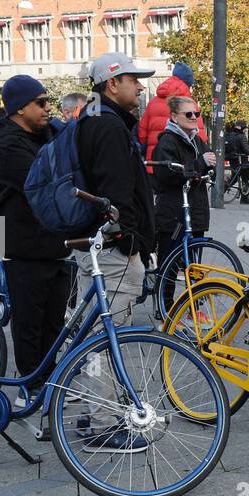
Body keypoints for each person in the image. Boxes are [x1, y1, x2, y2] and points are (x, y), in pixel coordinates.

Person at [0, 74, 74, 397]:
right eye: (40, 103)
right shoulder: (9, 143)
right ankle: (30, 387)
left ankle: (47, 383)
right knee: (29, 325)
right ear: (19, 108)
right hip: (22, 244)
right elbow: (44, 185)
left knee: (53, 324)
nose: (47, 108)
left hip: (54, 244)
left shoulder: (45, 135)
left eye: (47, 102)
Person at [78, 52, 156, 320]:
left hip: (99, 245)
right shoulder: (108, 125)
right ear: (112, 83)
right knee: (111, 337)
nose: (140, 87)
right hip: (113, 251)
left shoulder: (92, 117)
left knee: (92, 339)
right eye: (133, 79)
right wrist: (130, 244)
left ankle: (87, 364)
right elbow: (116, 190)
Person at [152, 95, 215, 265]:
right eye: (188, 114)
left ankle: (196, 292)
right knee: (168, 267)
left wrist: (210, 167)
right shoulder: (167, 142)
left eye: (196, 113)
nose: (194, 117)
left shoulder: (197, 140)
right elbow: (167, 175)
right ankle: (162, 292)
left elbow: (208, 165)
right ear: (173, 116)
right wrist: (200, 163)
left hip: (196, 214)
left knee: (194, 268)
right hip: (174, 215)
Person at [137, 61, 204, 160]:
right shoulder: (189, 104)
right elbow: (200, 136)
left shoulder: (152, 102)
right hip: (182, 165)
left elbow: (142, 136)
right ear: (188, 83)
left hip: (154, 164)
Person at [224, 121, 249, 202]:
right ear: (241, 127)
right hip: (242, 160)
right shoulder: (241, 136)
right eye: (244, 128)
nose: (245, 130)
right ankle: (245, 199)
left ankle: (221, 191)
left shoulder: (230, 135)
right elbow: (246, 150)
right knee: (246, 179)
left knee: (235, 177)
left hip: (233, 159)